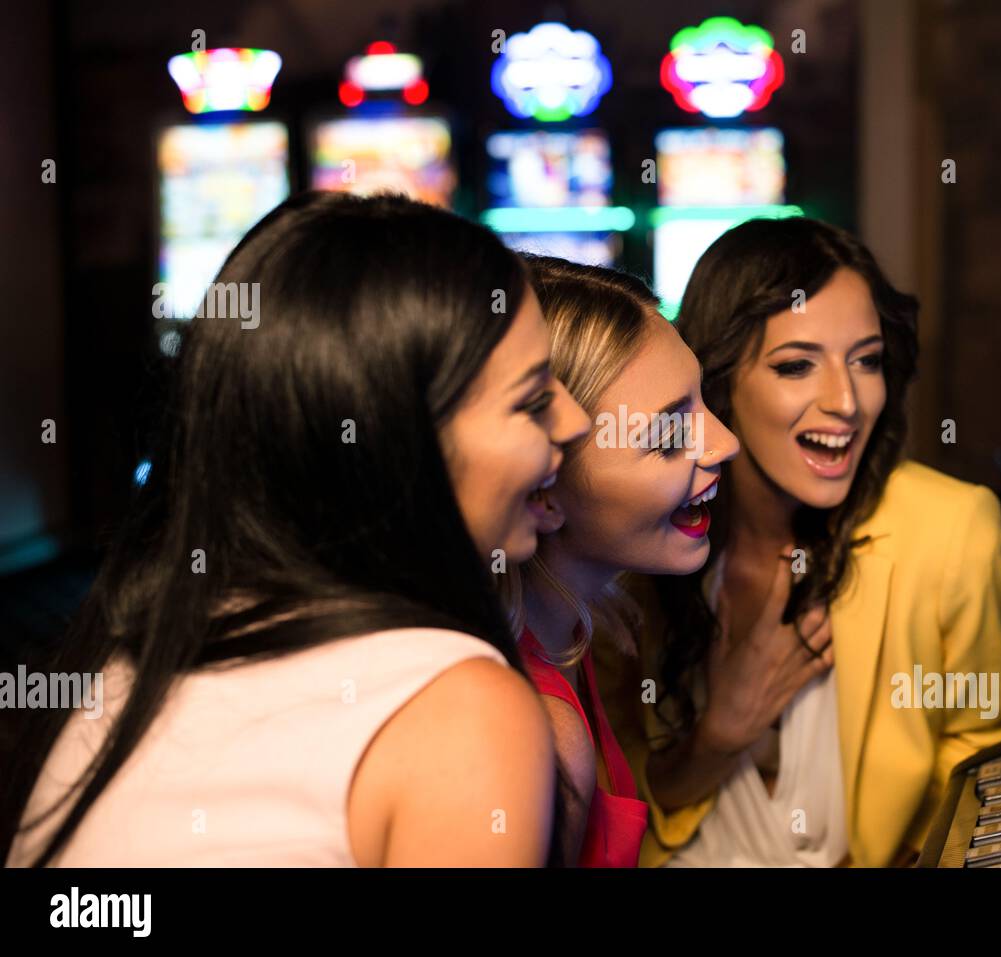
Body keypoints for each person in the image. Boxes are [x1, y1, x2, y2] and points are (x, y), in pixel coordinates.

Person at [2, 192, 590, 867]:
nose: (575, 423)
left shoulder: (141, 653)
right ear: (393, 444)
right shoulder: (462, 709)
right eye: (532, 399)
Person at [596, 217, 1001, 867]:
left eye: (867, 360)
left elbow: (980, 752)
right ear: (718, 380)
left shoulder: (951, 529)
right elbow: (620, 800)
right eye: (797, 365)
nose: (846, 401)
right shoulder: (640, 546)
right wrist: (719, 734)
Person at [502, 258, 739, 865]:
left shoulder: (568, 636)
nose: (725, 443)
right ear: (543, 488)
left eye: (702, 402)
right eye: (668, 436)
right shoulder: (537, 733)